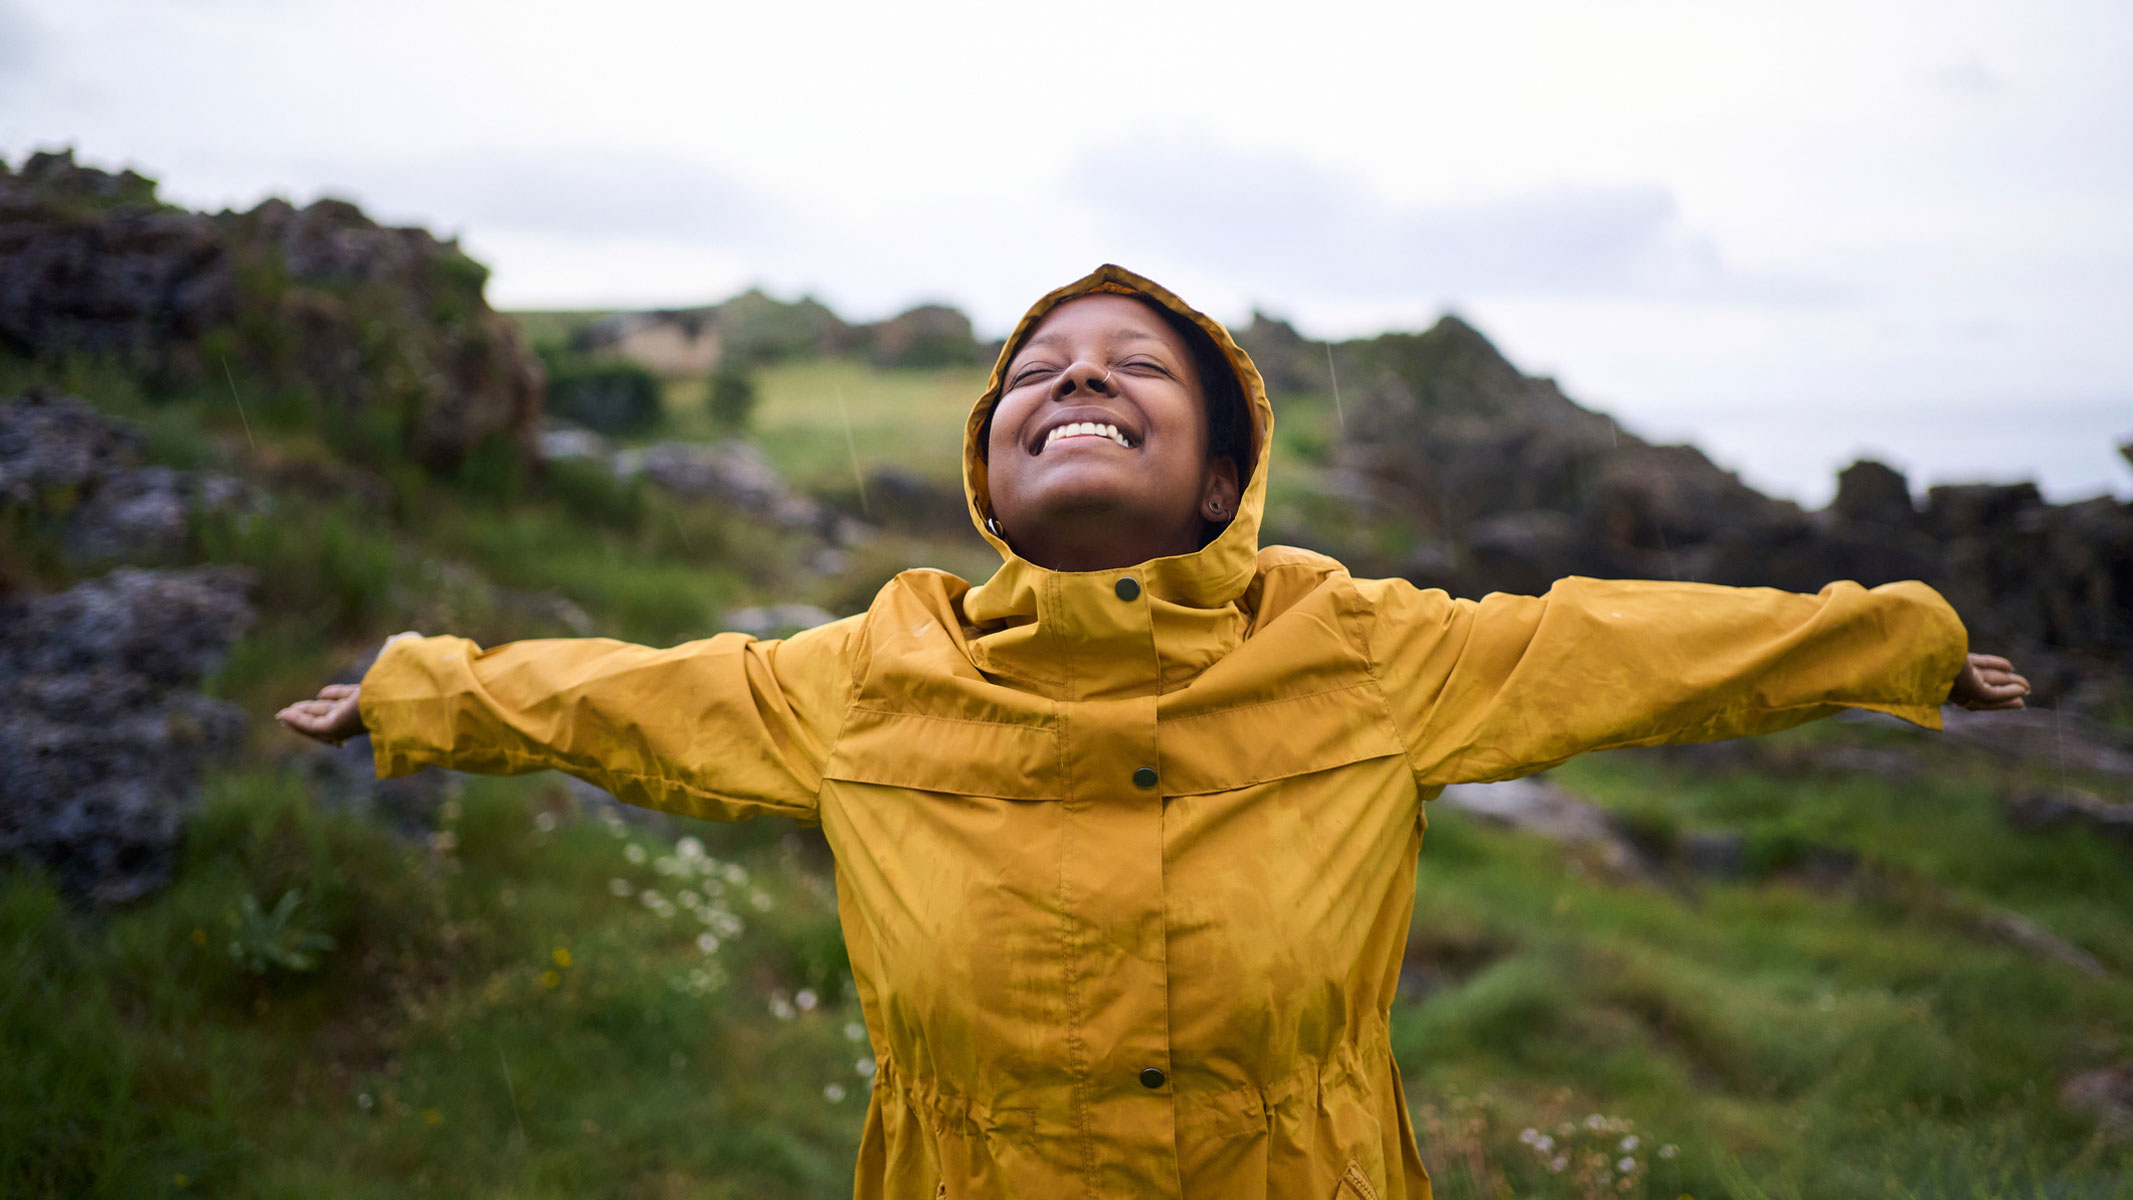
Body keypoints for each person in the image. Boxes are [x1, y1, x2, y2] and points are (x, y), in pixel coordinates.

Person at [279, 264, 2030, 1200]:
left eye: (1135, 365)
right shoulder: (866, 676)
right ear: (990, 469)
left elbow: (1611, 647)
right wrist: (423, 692)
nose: (1080, 377)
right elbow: (632, 697)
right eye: (1040, 368)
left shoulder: (1358, 650)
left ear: (1215, 474)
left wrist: (1889, 640)